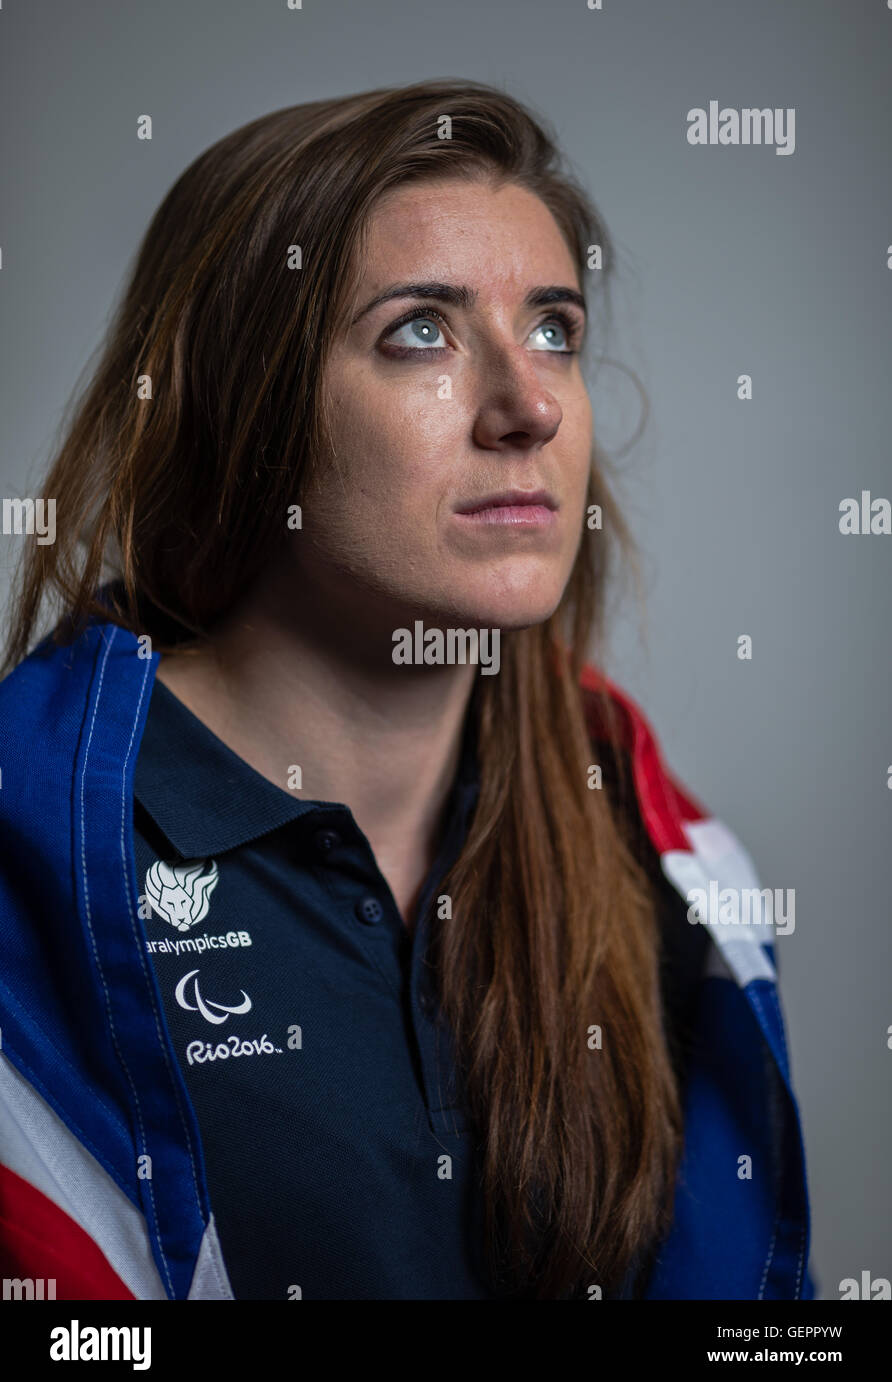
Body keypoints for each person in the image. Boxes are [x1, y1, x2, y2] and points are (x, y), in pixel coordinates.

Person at [0, 78, 814, 1301]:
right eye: (419, 332)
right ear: (242, 408)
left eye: (554, 329)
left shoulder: (676, 873)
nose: (529, 403)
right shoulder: (32, 860)